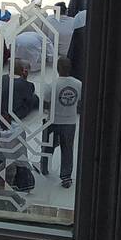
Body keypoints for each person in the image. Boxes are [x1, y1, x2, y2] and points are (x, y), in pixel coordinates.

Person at [41, 56, 80, 188]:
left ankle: (44, 168)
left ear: (57, 69)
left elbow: (45, 102)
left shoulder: (52, 85)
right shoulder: (78, 84)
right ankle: (66, 177)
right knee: (67, 149)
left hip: (52, 121)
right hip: (70, 122)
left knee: (47, 147)